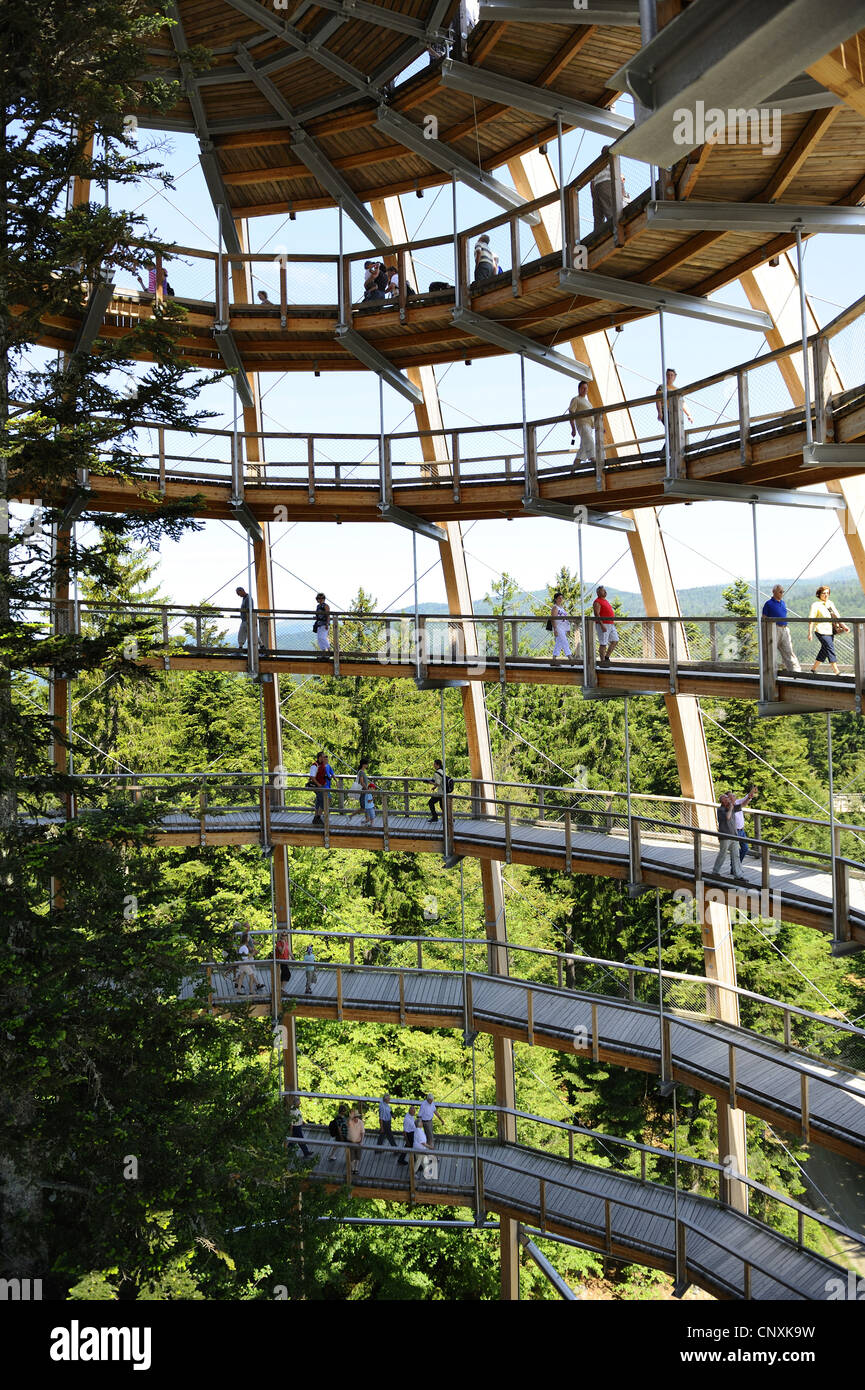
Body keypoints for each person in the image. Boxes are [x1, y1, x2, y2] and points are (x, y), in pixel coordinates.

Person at [808, 585, 848, 676]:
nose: (826, 595)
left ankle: (813, 669)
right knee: (830, 647)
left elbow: (837, 617)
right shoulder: (816, 605)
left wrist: (844, 626)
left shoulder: (830, 603)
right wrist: (809, 633)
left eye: (827, 593)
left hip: (830, 631)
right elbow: (811, 620)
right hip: (820, 631)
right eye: (824, 593)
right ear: (819, 594)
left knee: (825, 650)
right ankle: (836, 671)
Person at [762, 584, 801, 674]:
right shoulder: (768, 604)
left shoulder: (783, 603)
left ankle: (796, 672)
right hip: (773, 629)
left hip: (784, 629)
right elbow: (764, 618)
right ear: (774, 592)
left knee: (788, 650)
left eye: (782, 591)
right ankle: (770, 672)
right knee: (771, 651)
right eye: (780, 591)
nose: (782, 593)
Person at [712, 792, 747, 883]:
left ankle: (738, 875)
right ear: (722, 801)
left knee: (736, 855)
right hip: (725, 836)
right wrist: (731, 808)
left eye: (727, 797)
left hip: (734, 836)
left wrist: (748, 798)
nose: (727, 798)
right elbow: (727, 817)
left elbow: (742, 805)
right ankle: (715, 872)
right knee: (722, 854)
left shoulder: (732, 807)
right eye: (725, 798)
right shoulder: (721, 810)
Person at [568, 381, 595, 466]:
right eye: (582, 388)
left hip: (590, 426)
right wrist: (573, 428)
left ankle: (574, 468)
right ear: (579, 389)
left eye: (586, 388)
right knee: (590, 442)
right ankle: (594, 461)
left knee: (583, 449)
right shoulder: (576, 399)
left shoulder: (588, 402)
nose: (584, 390)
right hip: (583, 424)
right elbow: (571, 413)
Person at [730, 785, 757, 863]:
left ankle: (738, 864)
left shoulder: (737, 802)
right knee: (735, 850)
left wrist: (752, 792)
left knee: (745, 848)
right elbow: (744, 803)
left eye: (735, 797)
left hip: (741, 830)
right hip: (735, 831)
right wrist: (749, 797)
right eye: (733, 797)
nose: (735, 798)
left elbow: (746, 798)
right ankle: (734, 867)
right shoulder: (730, 807)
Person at [593, 586, 618, 665]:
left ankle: (606, 657)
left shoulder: (605, 601)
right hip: (603, 624)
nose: (605, 592)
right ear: (598, 593)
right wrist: (602, 625)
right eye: (603, 591)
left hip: (610, 624)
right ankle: (602, 661)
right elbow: (597, 614)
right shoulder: (597, 601)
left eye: (605, 591)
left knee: (615, 640)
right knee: (603, 643)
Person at [308, 750, 334, 825]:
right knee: (325, 800)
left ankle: (316, 818)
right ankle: (318, 817)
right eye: (323, 757)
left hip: (322, 785)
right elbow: (312, 777)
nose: (324, 758)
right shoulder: (314, 765)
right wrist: (318, 784)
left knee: (319, 801)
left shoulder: (322, 765)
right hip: (317, 786)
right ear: (320, 757)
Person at [235, 928, 264, 995]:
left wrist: (253, 953)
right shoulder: (244, 947)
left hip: (241, 964)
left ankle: (238, 991)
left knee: (241, 977)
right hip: (245, 964)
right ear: (246, 939)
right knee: (251, 976)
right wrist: (253, 954)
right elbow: (245, 957)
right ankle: (251, 990)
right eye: (248, 938)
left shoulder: (241, 946)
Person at [549, 591, 575, 663]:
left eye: (561, 598)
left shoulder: (562, 608)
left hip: (563, 627)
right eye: (559, 598)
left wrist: (568, 629)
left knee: (559, 643)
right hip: (558, 627)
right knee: (564, 641)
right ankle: (570, 658)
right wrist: (555, 629)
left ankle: (554, 659)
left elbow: (565, 619)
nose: (560, 599)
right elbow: (553, 619)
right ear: (555, 599)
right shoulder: (555, 607)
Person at [288, 1096, 312, 1160]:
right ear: (295, 1102)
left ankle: (287, 1151)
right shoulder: (292, 1110)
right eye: (299, 1101)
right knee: (300, 1140)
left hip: (298, 1126)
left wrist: (302, 1121)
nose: (300, 1103)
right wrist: (291, 1129)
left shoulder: (296, 1108)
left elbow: (298, 1116)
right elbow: (292, 1120)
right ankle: (306, 1152)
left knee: (294, 1141)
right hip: (296, 1127)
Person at [356, 758, 375, 826]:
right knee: (364, 805)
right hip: (363, 791)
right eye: (367, 764)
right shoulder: (361, 772)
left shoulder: (362, 772)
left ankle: (367, 818)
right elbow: (361, 782)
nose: (367, 765)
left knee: (365, 805)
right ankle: (367, 818)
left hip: (364, 791)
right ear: (364, 765)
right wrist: (367, 789)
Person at [346, 1108, 365, 1175]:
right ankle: (352, 1168)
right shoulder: (350, 1121)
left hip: (358, 1142)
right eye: (354, 1117)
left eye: (356, 1117)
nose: (355, 1118)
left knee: (358, 1156)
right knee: (352, 1157)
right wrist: (350, 1117)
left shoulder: (361, 1122)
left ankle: (356, 1168)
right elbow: (347, 1123)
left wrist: (361, 1141)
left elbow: (362, 1132)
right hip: (350, 1141)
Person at [236, 585, 253, 651]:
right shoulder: (245, 598)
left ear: (242, 591)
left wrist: (248, 619)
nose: (238, 595)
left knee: (250, 634)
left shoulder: (248, 598)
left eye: (238, 593)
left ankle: (240, 648)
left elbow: (249, 609)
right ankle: (240, 647)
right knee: (245, 633)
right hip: (244, 620)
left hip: (247, 619)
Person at [428, 758, 445, 823]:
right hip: (444, 791)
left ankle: (435, 817)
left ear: (438, 765)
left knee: (431, 802)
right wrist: (434, 787)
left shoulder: (437, 773)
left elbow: (438, 783)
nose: (433, 765)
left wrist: (431, 783)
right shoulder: (442, 771)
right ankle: (450, 817)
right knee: (442, 806)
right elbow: (441, 782)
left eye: (434, 764)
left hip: (440, 793)